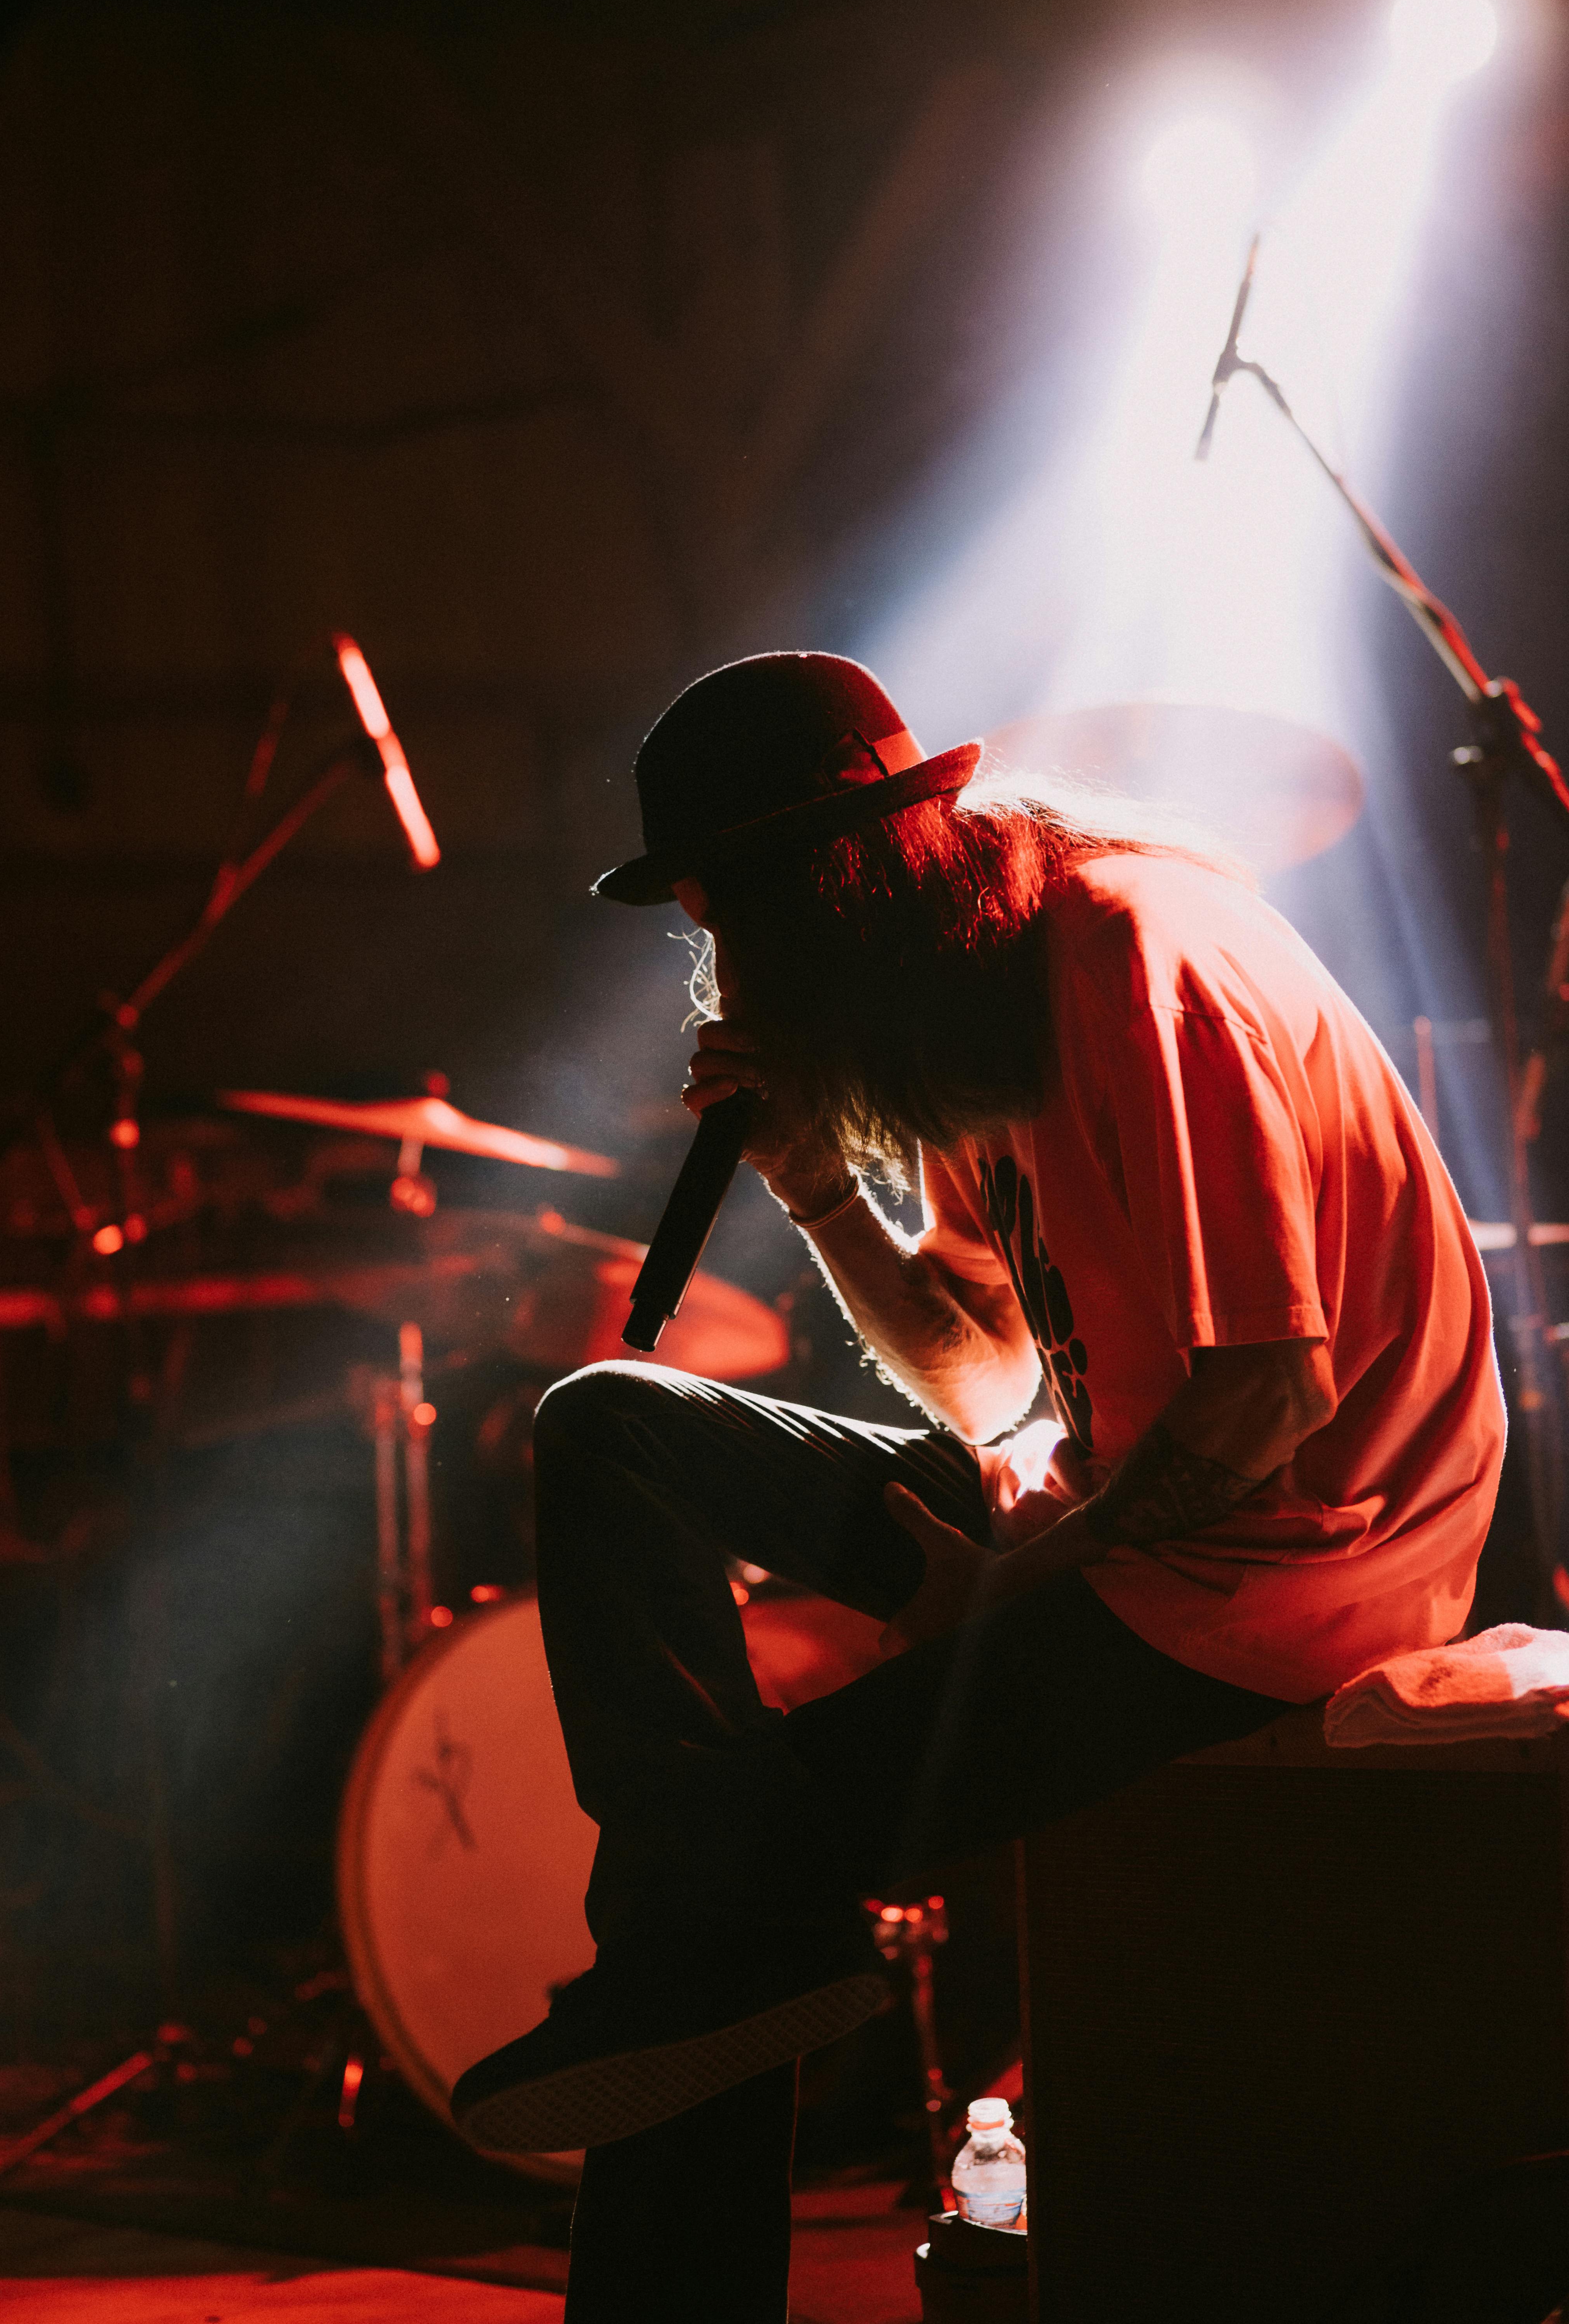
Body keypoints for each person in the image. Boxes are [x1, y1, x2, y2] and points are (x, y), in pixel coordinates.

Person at [451, 651, 1505, 2320]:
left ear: (830, 880)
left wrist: (1028, 1577)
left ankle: (685, 1998)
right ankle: (696, 1958)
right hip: (1109, 1526)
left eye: (731, 919)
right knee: (608, 1426)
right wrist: (813, 1182)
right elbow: (985, 1378)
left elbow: (1265, 1396)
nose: (724, 968)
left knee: (719, 1904)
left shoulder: (1136, 965)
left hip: (1280, 1577)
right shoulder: (971, 988)